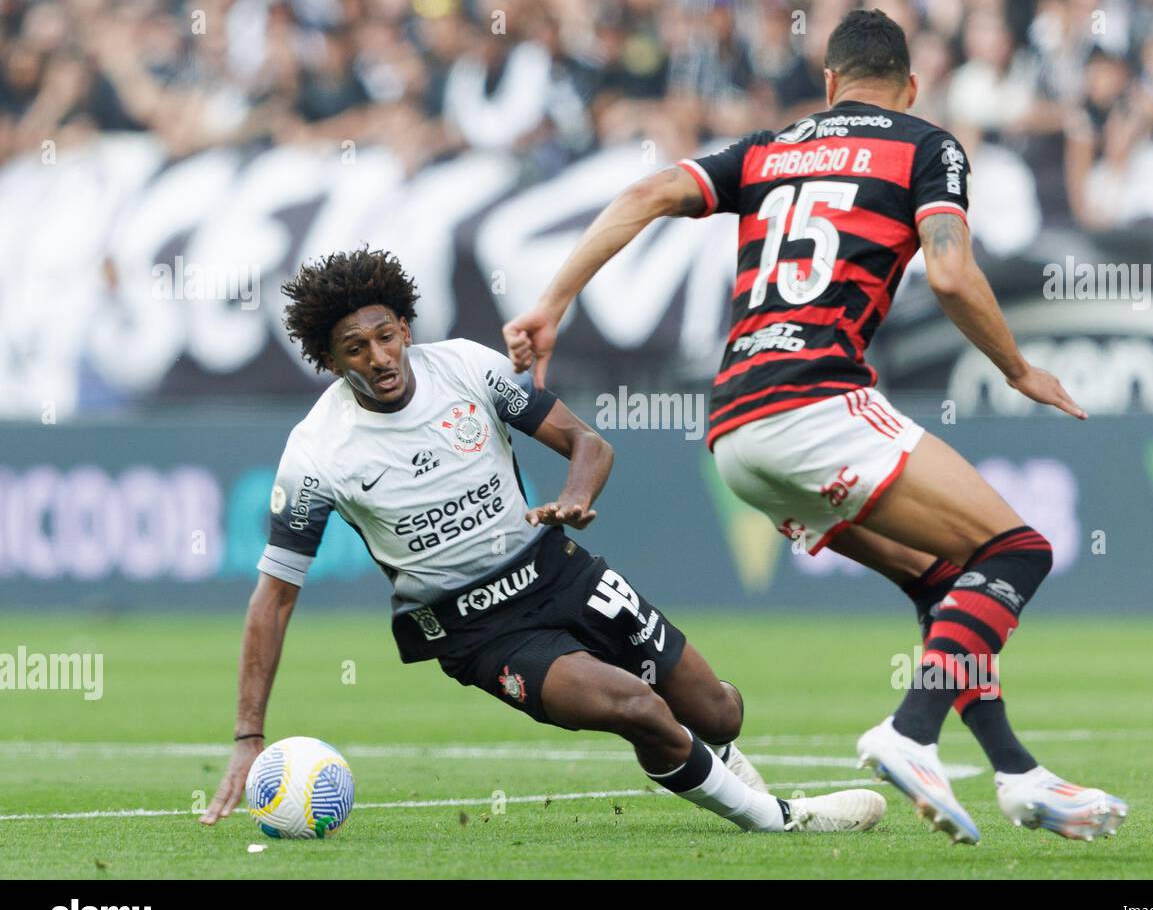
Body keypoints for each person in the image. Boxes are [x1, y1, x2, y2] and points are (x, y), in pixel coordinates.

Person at [504, 9, 1127, 845]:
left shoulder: (768, 148)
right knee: (1018, 551)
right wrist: (1017, 369)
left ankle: (1016, 774)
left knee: (942, 580)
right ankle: (909, 733)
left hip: (734, 435)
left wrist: (551, 301)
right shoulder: (925, 144)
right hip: (815, 400)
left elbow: (649, 191)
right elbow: (949, 273)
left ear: (828, 83)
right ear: (910, 86)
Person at [200, 247, 884, 836]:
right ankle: (778, 820)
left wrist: (577, 498)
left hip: (561, 573)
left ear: (405, 327)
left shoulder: (469, 368)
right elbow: (275, 598)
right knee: (636, 709)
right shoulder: (317, 453)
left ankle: (721, 762)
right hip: (480, 631)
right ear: (328, 360)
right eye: (355, 348)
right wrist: (247, 737)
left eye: (386, 335)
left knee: (719, 712)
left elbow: (588, 442)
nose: (380, 357)